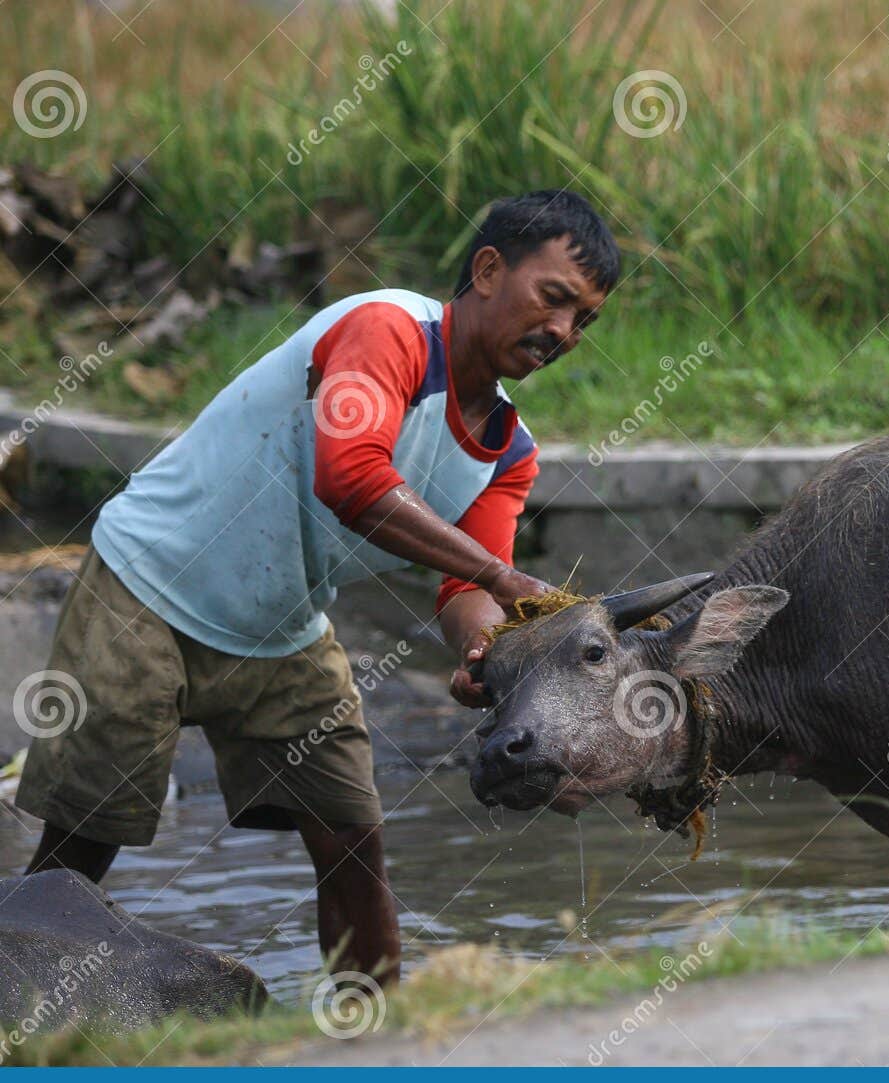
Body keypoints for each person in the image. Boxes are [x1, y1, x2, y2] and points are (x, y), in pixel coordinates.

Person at [17, 190, 618, 987]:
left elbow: (462, 590)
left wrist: (487, 648)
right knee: (83, 844)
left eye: (584, 321)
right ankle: (17, 1018)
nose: (563, 333)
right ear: (486, 269)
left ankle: (376, 1045)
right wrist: (505, 580)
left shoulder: (509, 453)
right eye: (554, 299)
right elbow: (355, 480)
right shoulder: (389, 331)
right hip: (149, 584)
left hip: (280, 625)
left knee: (352, 841)